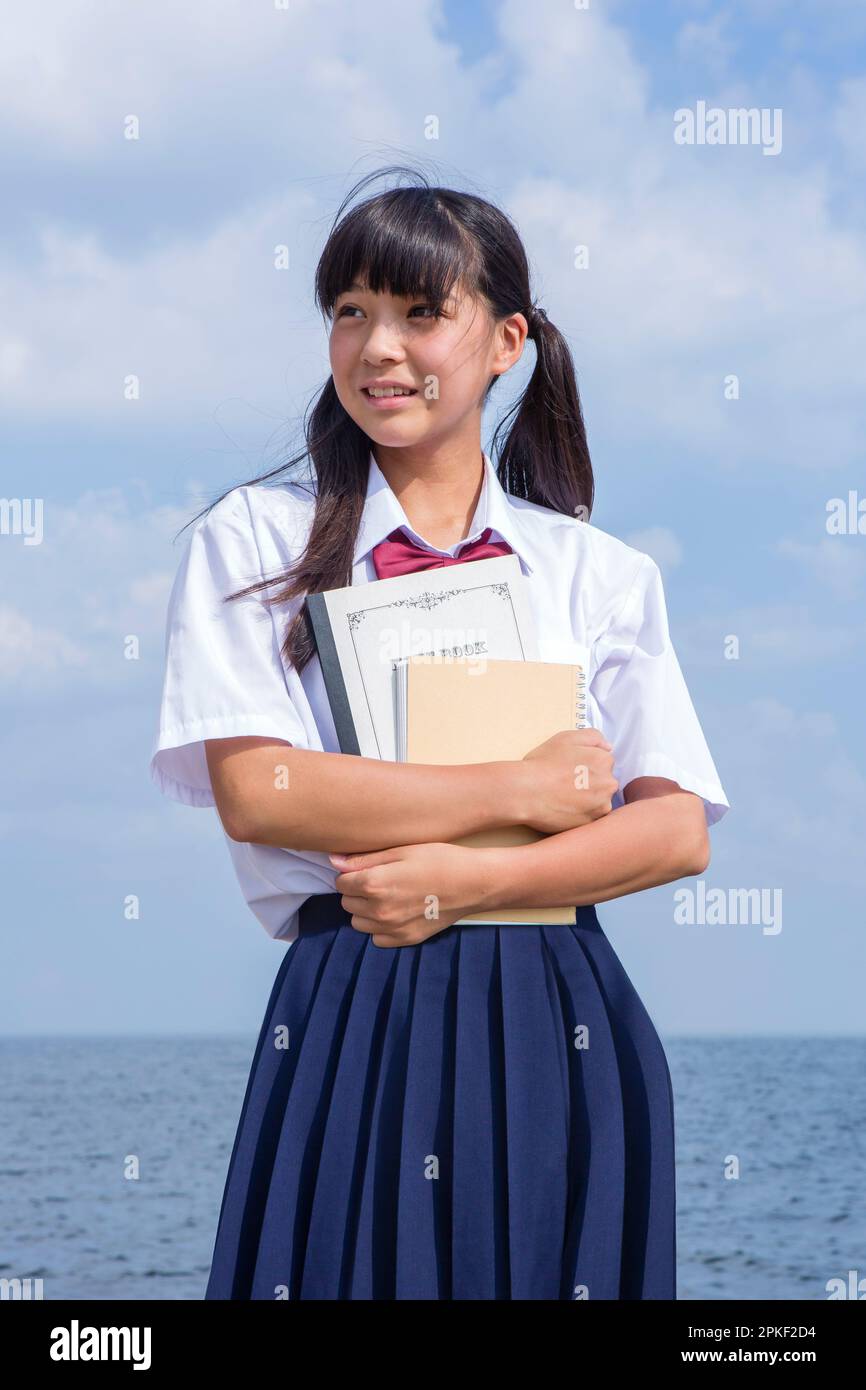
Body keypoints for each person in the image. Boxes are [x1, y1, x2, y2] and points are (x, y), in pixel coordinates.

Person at [149, 167, 730, 1300]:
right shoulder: (252, 540)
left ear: (506, 339)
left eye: (421, 312)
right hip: (353, 987)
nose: (377, 348)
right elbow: (262, 792)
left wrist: (453, 882)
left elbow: (671, 834)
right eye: (349, 313)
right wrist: (516, 784)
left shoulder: (596, 571)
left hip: (556, 1008)